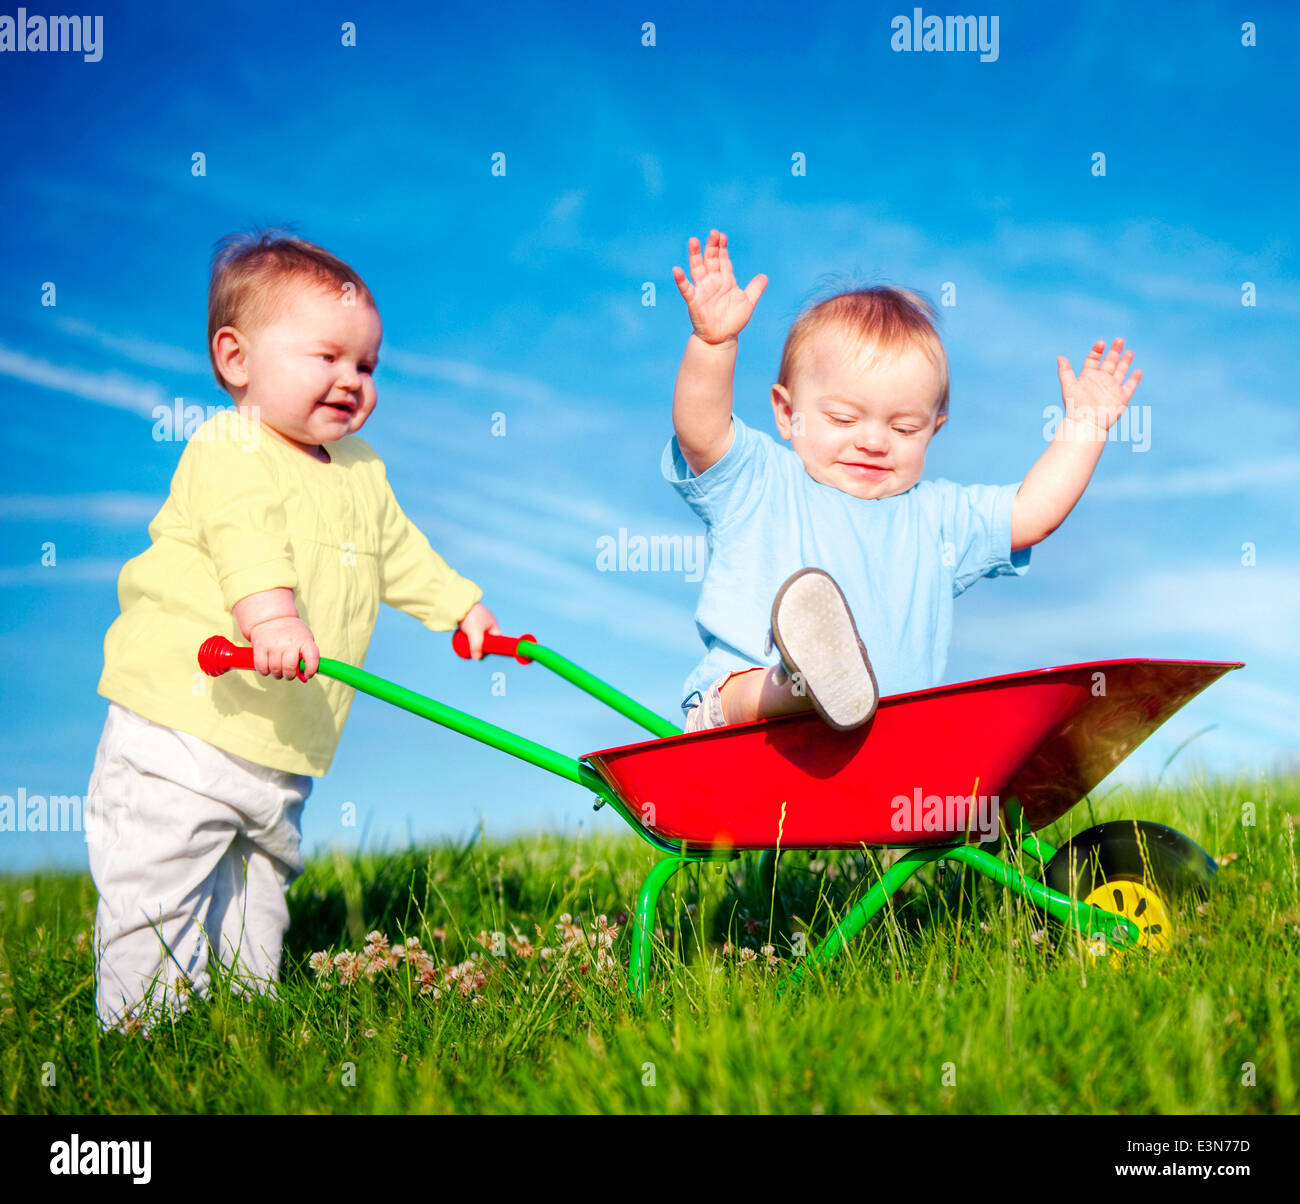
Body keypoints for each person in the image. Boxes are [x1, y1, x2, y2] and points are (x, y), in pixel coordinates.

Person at [86, 230, 500, 1030]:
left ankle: (246, 1018)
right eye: (328, 357)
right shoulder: (231, 445)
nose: (352, 380)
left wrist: (461, 608)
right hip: (184, 723)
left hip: (280, 745)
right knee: (160, 879)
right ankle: (142, 1032)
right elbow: (244, 535)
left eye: (368, 365)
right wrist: (271, 615)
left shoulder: (363, 472)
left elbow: (400, 555)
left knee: (257, 886)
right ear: (237, 359)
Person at [664, 229, 1142, 733]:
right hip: (738, 727)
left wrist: (1085, 428)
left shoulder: (935, 518)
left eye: (903, 427)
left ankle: (827, 686)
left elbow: (1033, 513)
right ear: (786, 414)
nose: (873, 441)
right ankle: (798, 683)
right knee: (745, 687)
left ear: (933, 431)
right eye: (844, 420)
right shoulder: (762, 483)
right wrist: (714, 344)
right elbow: (701, 433)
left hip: (877, 747)